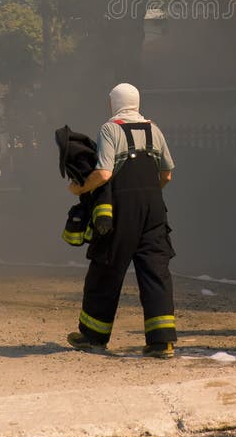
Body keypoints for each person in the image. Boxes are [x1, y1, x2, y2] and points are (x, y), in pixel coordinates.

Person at [66, 82, 177, 359]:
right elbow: (167, 175)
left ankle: (93, 337)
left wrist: (79, 188)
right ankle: (162, 342)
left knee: (106, 269)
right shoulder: (155, 129)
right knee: (156, 273)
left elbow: (103, 174)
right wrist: (147, 196)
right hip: (154, 210)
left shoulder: (110, 129)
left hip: (121, 210)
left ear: (114, 103)